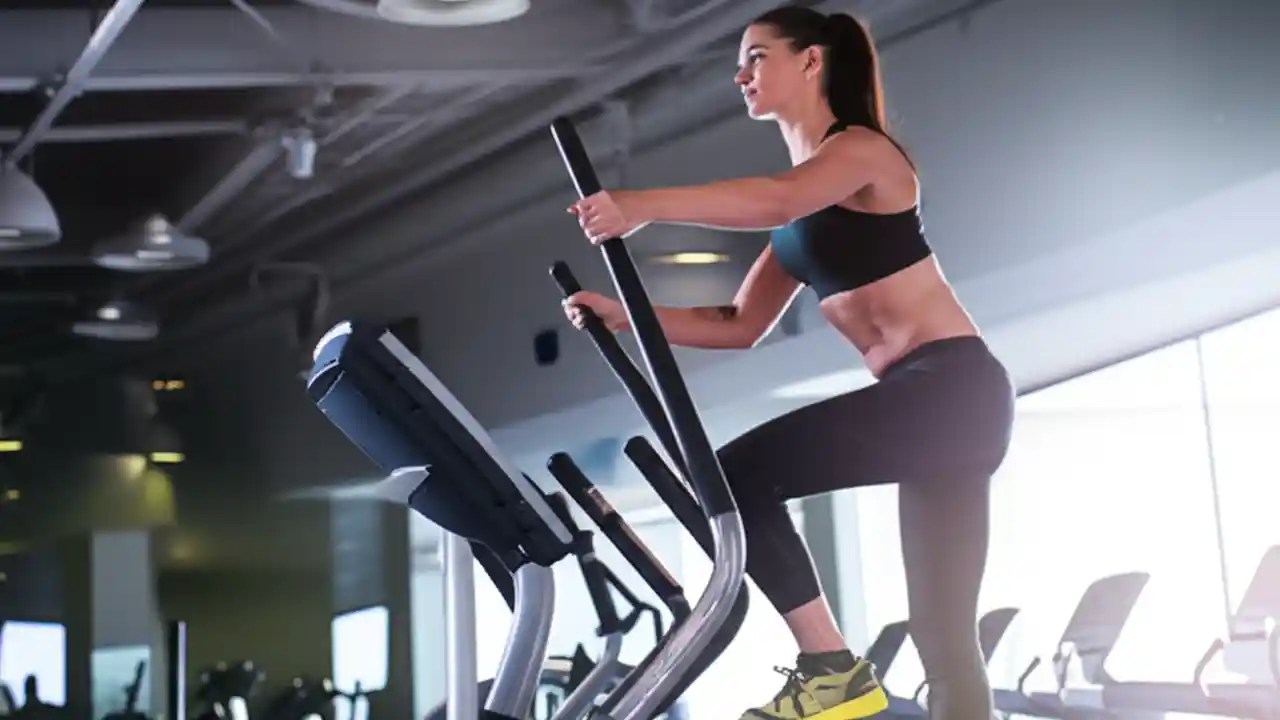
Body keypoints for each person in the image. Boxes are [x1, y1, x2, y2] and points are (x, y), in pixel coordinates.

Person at [562, 6, 1015, 720]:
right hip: (935, 404)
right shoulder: (800, 221)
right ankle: (841, 674)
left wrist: (640, 205)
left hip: (949, 387)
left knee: (740, 473)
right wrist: (626, 314)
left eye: (756, 57)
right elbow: (739, 323)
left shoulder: (863, 152)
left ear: (811, 61)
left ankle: (830, 668)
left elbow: (777, 196)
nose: (740, 75)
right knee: (946, 644)